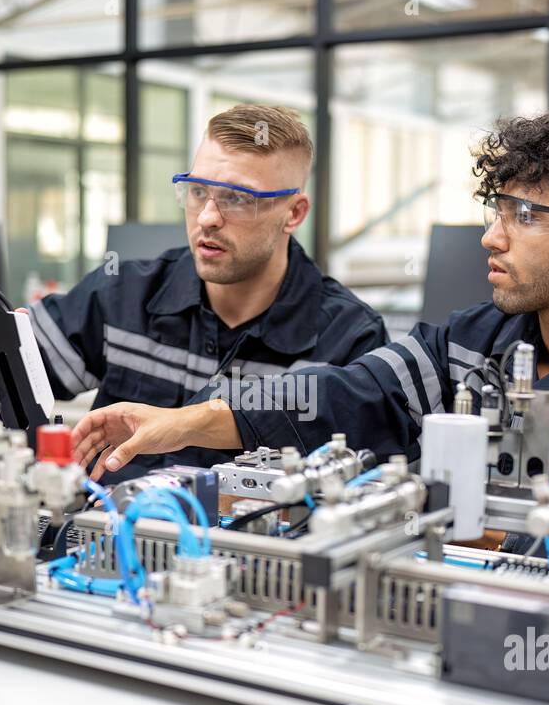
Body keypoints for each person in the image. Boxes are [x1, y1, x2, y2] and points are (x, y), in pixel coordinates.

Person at [71, 106, 549, 565]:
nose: (491, 237)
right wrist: (186, 421)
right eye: (498, 210)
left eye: (525, 216)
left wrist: (481, 533)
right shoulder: (472, 342)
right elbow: (346, 396)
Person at [24, 104, 386, 481]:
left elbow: (366, 489)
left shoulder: (348, 340)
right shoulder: (122, 294)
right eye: (198, 191)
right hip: (104, 532)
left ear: (293, 214)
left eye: (239, 198)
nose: (207, 218)